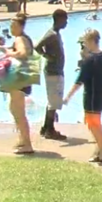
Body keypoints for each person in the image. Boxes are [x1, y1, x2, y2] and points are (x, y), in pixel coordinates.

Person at [64, 28, 102, 162]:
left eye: (85, 41)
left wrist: (68, 97)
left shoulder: (90, 60)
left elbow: (79, 80)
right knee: (95, 122)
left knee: (93, 124)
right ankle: (100, 149)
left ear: (91, 41)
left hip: (93, 96)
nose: (84, 44)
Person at [35, 9, 68, 141]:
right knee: (53, 102)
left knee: (52, 101)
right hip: (53, 71)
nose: (66, 22)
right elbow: (37, 47)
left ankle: (46, 127)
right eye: (65, 19)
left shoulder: (56, 34)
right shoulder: (52, 34)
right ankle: (50, 130)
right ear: (59, 19)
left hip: (57, 70)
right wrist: (47, 56)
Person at [5, 14, 36, 154]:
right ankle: (23, 140)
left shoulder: (20, 39)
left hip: (19, 79)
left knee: (18, 112)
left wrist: (8, 53)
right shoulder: (25, 38)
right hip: (24, 78)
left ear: (21, 27)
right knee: (15, 110)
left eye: (14, 26)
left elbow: (22, 53)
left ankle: (27, 144)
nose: (11, 28)